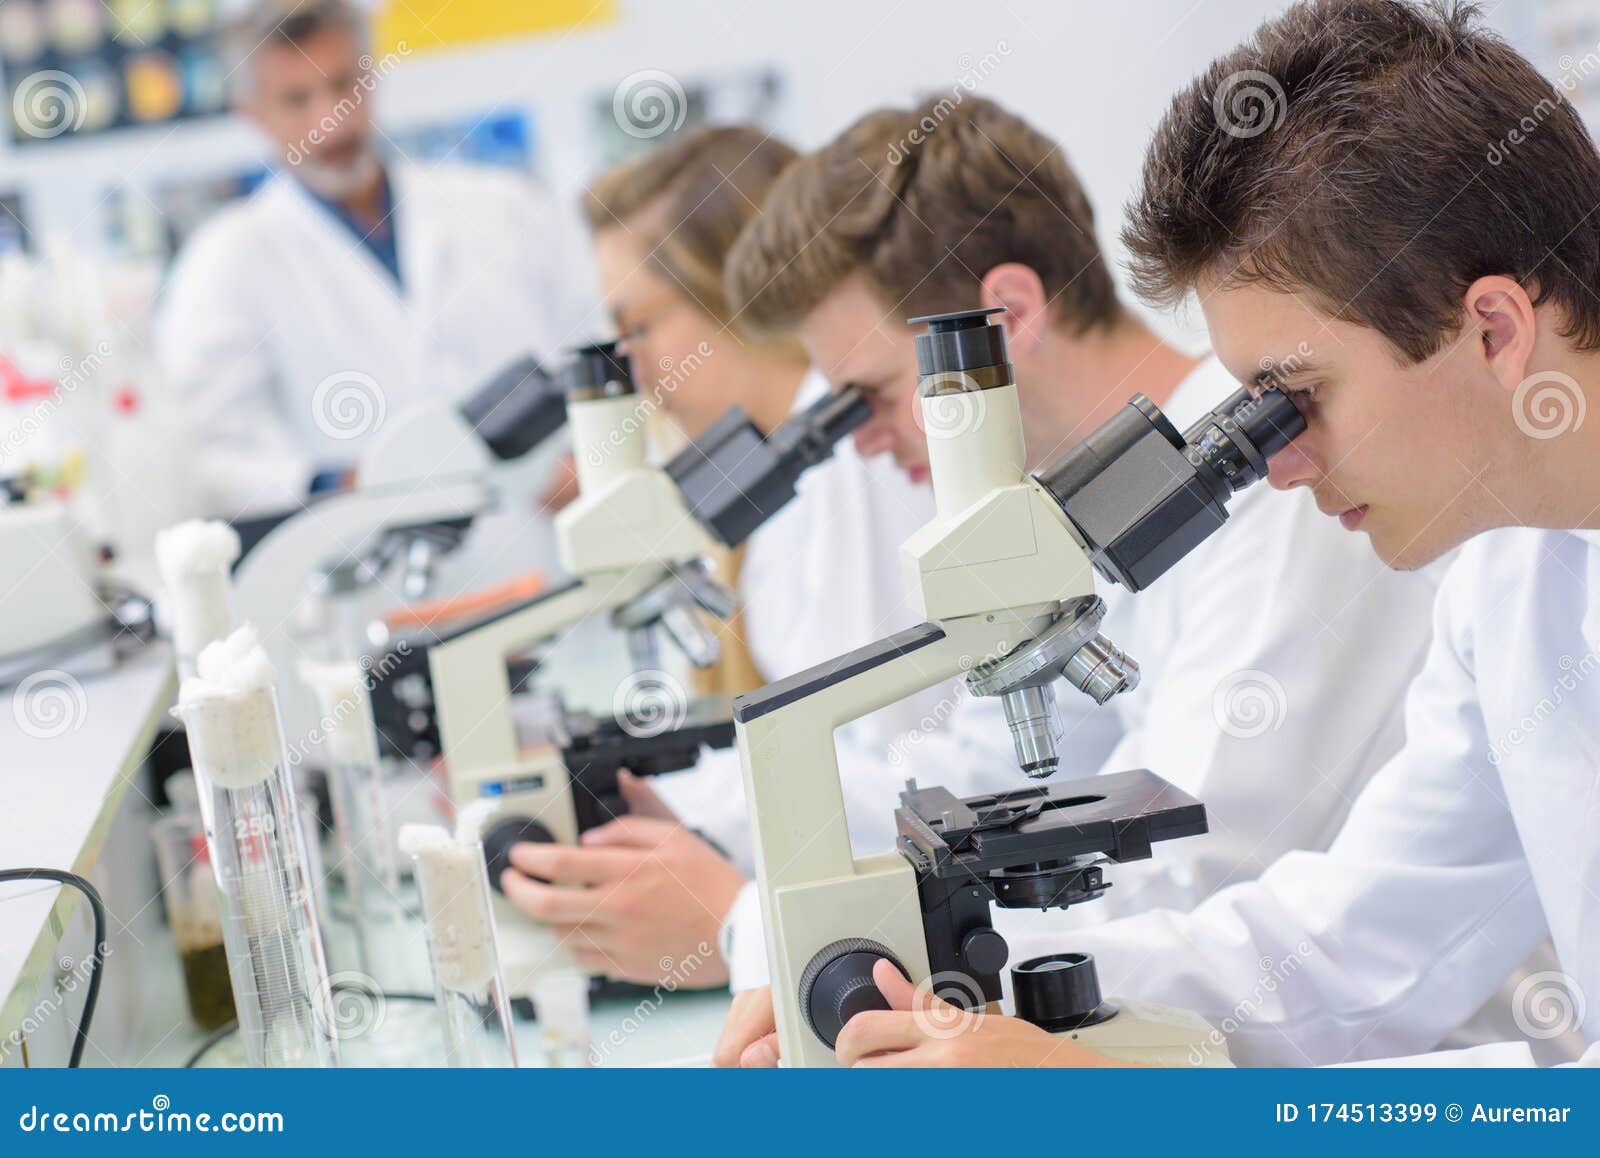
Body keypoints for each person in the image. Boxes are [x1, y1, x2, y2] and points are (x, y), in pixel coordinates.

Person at [717, 0, 1600, 1068]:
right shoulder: (1511, 577)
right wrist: (938, 995)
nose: (1279, 464)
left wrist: (1145, 1107)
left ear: (1493, 329)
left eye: (1297, 398)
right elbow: (1345, 951)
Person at [704, 93, 1440, 1004]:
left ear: (1006, 317)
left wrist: (781, 937)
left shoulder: (1287, 495)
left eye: (875, 393)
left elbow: (1197, 869)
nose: (861, 442)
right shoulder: (1068, 515)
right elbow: (985, 774)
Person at [493, 126, 961, 989]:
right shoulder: (775, 477)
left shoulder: (868, 453)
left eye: (640, 327)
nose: (635, 372)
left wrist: (720, 881)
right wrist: (666, 814)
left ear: (738, 290)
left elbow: (906, 763)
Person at [156, 0, 593, 519]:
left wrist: (588, 454)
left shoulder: (503, 204)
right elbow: (215, 458)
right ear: (251, 114)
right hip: (373, 552)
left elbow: (597, 337)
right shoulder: (224, 265)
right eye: (296, 100)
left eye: (344, 86)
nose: (331, 123)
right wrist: (352, 485)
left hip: (550, 532)